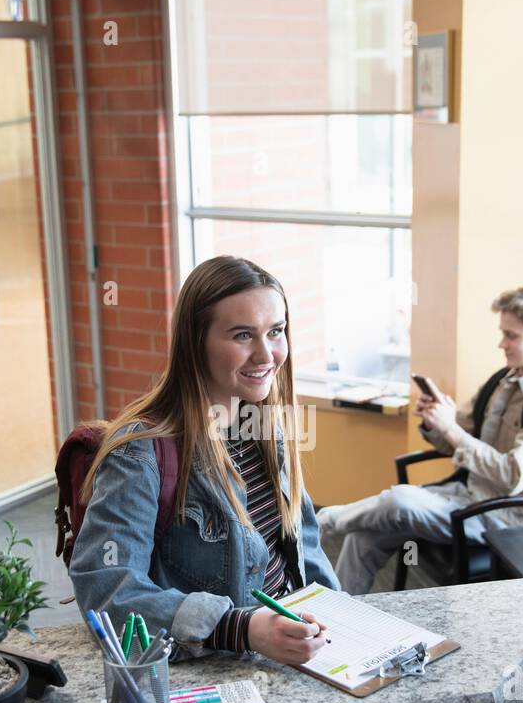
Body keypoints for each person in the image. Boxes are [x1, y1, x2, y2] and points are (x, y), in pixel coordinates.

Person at [68, 256, 338, 666]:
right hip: (222, 663)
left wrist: (342, 619)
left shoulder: (265, 424)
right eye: (243, 335)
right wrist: (241, 628)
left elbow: (305, 547)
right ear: (195, 343)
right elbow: (107, 593)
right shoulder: (140, 452)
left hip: (299, 649)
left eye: (276, 331)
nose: (266, 354)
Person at [318, 286, 523, 594]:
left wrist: (452, 430)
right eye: (502, 333)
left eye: (511, 336)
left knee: (399, 500)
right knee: (363, 535)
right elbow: (456, 442)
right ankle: (338, 615)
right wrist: (437, 423)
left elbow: (513, 475)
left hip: (505, 516)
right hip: (466, 494)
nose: (502, 344)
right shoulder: (504, 379)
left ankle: (326, 521)